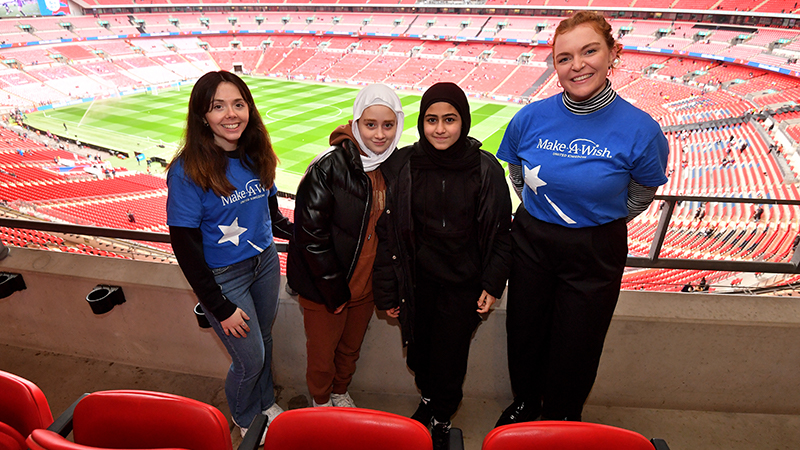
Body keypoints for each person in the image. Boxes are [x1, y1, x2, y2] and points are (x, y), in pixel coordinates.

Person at [494, 11, 669, 425]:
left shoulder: (642, 130)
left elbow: (642, 194)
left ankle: (560, 420)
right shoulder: (529, 118)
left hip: (595, 247)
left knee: (578, 343)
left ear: (613, 54)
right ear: (554, 65)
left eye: (590, 51)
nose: (577, 65)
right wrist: (546, 213)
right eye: (564, 57)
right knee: (524, 332)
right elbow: (517, 175)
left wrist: (595, 217)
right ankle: (525, 404)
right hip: (533, 239)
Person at [373, 82, 512, 450]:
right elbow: (387, 234)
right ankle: (430, 399)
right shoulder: (403, 163)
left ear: (463, 121)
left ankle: (440, 415)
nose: (439, 128)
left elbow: (501, 232)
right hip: (416, 284)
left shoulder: (485, 169)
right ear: (421, 122)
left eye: (449, 119)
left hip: (462, 285)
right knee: (419, 354)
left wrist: (493, 282)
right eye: (431, 119)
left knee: (450, 358)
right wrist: (389, 288)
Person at [166, 71, 293, 444]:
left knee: (264, 339)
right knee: (249, 358)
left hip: (264, 262)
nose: (231, 114)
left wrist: (307, 234)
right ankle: (245, 415)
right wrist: (218, 305)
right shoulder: (187, 170)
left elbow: (273, 215)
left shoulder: (256, 153)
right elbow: (185, 249)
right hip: (224, 276)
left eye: (238, 104)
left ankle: (266, 403)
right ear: (202, 116)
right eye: (217, 106)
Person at [287, 84, 404, 409]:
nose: (380, 134)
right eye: (370, 124)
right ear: (355, 124)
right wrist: (333, 290)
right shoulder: (328, 166)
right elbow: (310, 236)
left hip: (365, 288)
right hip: (327, 290)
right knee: (323, 354)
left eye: (388, 125)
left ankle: (340, 391)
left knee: (350, 349)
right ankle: (321, 401)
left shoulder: (392, 167)